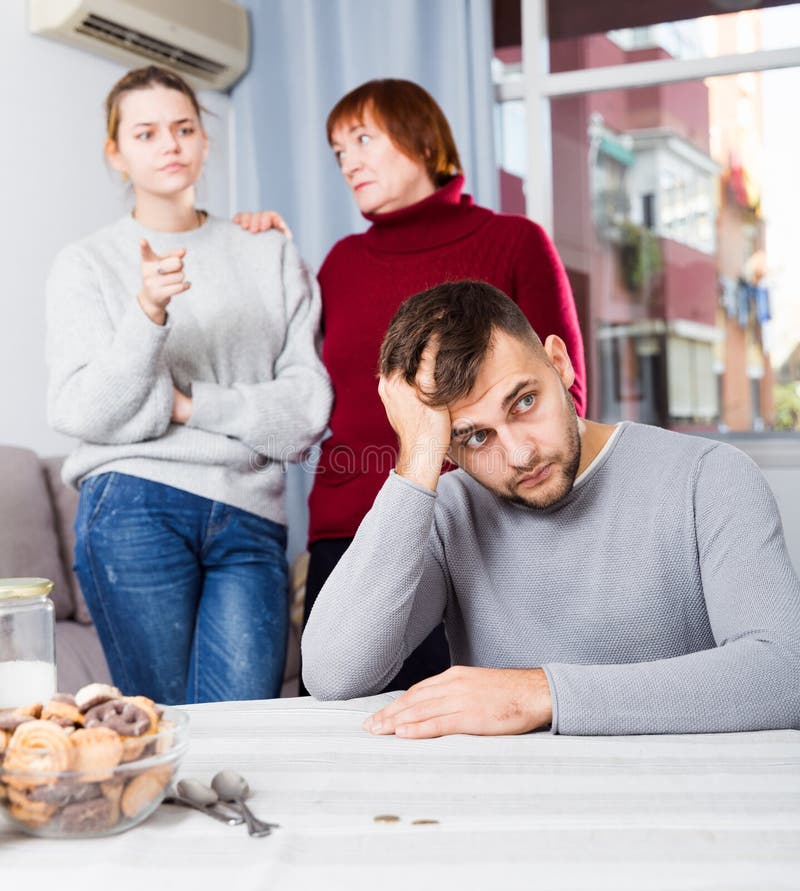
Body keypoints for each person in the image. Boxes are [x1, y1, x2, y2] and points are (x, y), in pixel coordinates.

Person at [302, 280, 800, 737]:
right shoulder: (451, 512)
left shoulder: (709, 477)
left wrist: (540, 694)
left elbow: (785, 671)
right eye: (476, 437)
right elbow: (333, 674)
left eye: (523, 402)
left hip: (680, 792)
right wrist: (417, 461)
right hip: (517, 796)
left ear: (559, 363)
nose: (519, 454)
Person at [235, 79, 587, 694]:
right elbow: (288, 373)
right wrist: (271, 259)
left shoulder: (514, 241)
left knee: (471, 719)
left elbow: (566, 399)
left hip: (479, 528)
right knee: (339, 719)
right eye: (338, 151)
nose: (349, 162)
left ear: (423, 141)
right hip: (349, 532)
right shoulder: (341, 262)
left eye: (363, 139)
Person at [45, 66, 332, 705]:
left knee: (245, 732)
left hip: (251, 513)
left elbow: (306, 413)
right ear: (116, 153)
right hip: (134, 503)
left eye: (183, 128)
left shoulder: (267, 250)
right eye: (145, 133)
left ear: (205, 139)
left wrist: (188, 403)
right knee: (166, 729)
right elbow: (82, 410)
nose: (169, 145)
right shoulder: (86, 263)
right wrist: (147, 315)